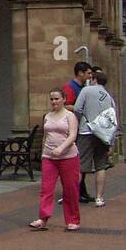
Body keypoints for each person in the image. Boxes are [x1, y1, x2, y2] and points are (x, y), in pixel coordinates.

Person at [31, 89, 80, 230]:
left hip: (68, 157)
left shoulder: (70, 116)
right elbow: (45, 136)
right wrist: (43, 153)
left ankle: (73, 219)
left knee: (70, 189)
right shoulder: (47, 116)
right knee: (46, 189)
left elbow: (72, 135)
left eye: (57, 99)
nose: (54, 102)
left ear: (64, 99)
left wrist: (61, 148)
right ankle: (43, 218)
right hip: (49, 157)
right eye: (52, 99)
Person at [74, 69, 116, 207]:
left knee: (80, 166)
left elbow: (77, 108)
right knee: (100, 166)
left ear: (95, 80)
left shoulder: (86, 91)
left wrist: (81, 121)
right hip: (102, 135)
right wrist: (111, 141)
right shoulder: (110, 97)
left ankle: (72, 196)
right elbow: (113, 121)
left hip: (86, 132)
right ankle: (99, 198)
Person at [62, 61, 93, 201]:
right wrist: (79, 108)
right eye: (88, 73)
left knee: (81, 160)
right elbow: (66, 105)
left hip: (82, 127)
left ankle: (81, 189)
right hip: (74, 127)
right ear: (80, 73)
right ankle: (75, 191)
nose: (90, 76)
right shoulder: (70, 87)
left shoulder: (84, 87)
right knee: (76, 161)